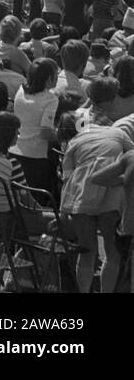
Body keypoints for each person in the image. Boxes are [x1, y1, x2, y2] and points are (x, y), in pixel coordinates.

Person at [60, 111, 131, 293]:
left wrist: (63, 214)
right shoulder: (119, 133)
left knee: (86, 251)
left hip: (82, 193)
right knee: (111, 250)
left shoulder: (73, 143)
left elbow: (66, 179)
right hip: (111, 194)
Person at [11, 58, 61, 199]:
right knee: (38, 200)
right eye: (56, 75)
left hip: (16, 150)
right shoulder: (51, 99)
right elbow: (45, 132)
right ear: (49, 79)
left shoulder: (21, 90)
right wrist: (61, 135)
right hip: (36, 157)